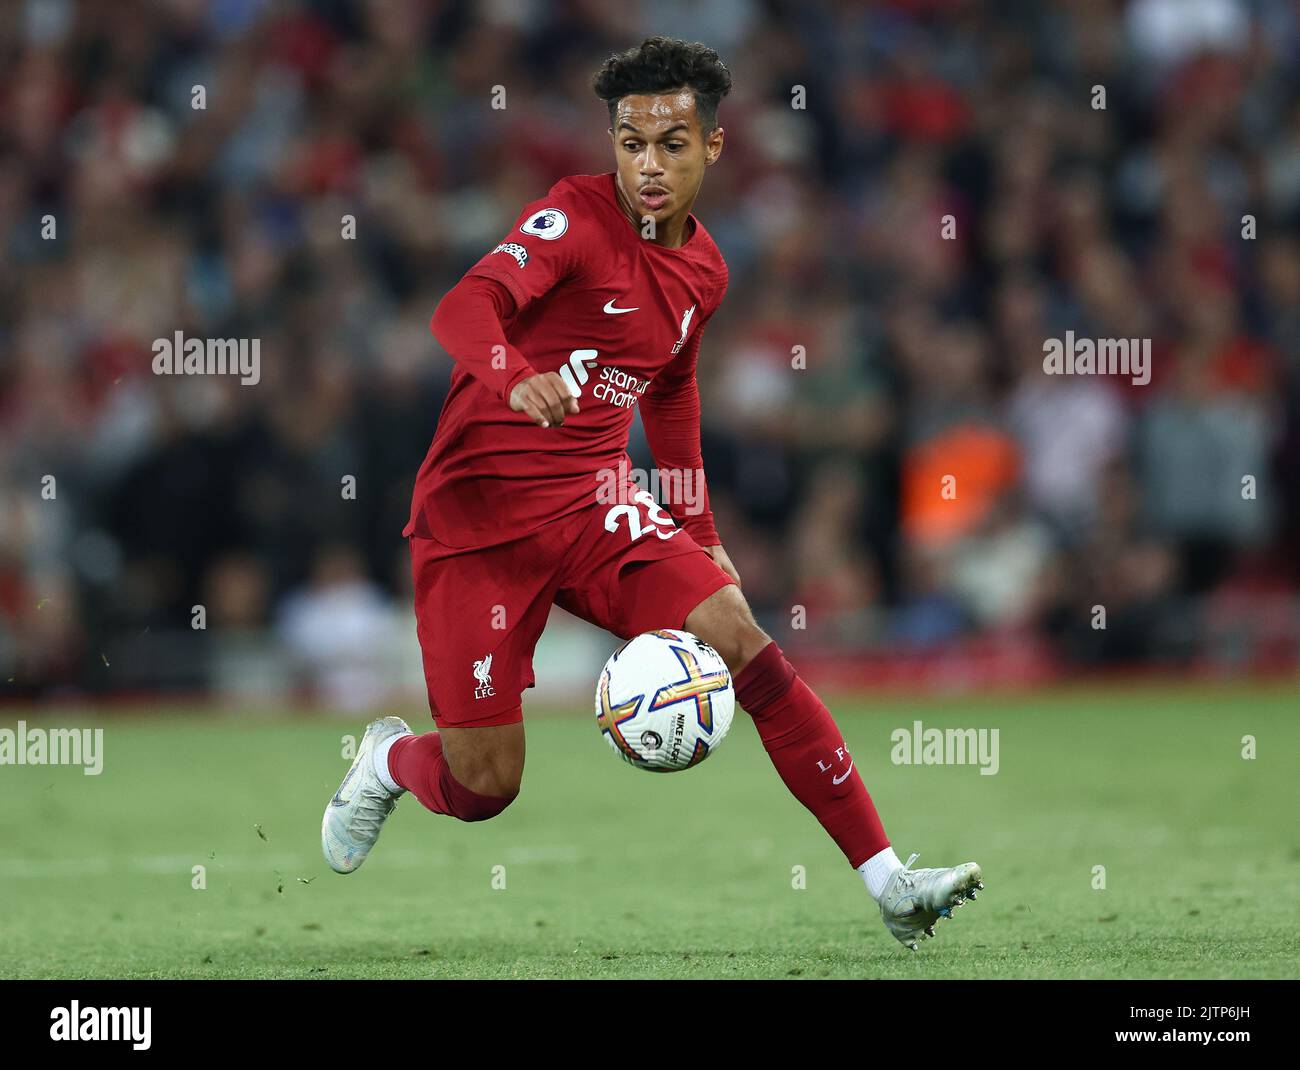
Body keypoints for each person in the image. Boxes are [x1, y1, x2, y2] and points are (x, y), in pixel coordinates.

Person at [322, 36, 981, 950]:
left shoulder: (705, 270)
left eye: (672, 144)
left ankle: (890, 880)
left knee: (747, 644)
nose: (648, 165)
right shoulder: (571, 219)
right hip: (477, 528)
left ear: (714, 147)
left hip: (598, 505)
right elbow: (460, 310)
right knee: (485, 787)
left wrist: (699, 527)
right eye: (631, 143)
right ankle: (390, 761)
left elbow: (670, 387)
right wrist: (513, 374)